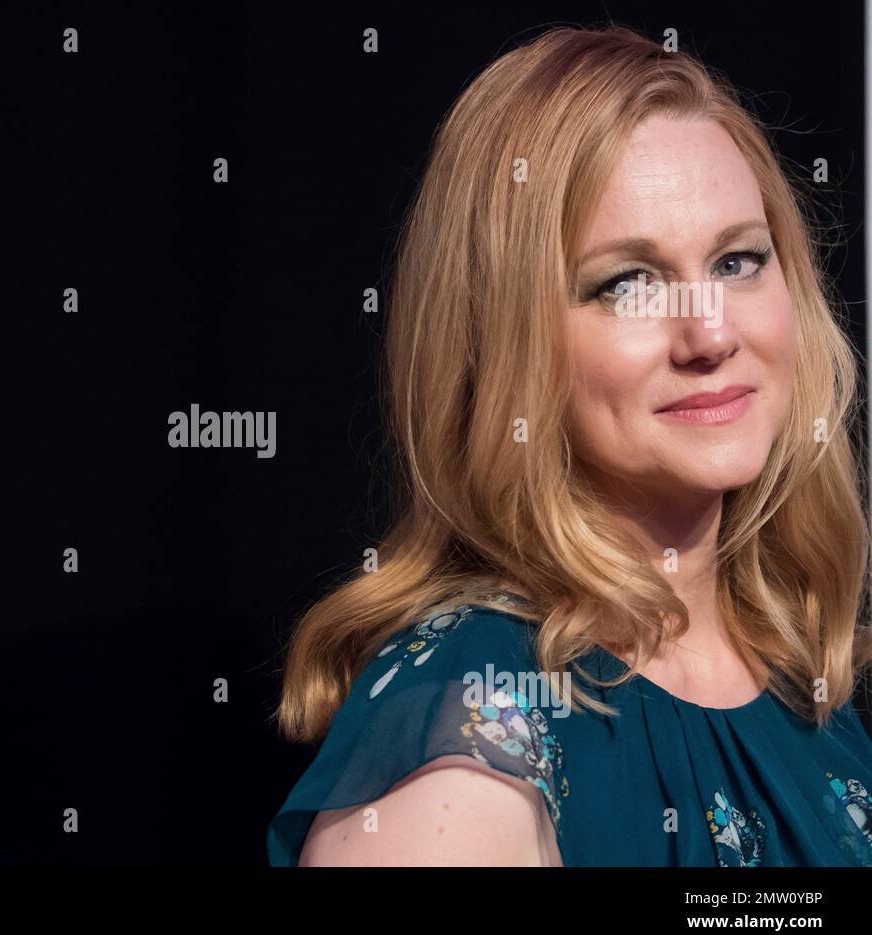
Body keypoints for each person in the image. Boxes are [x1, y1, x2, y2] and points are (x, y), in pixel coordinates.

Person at [267, 23, 872, 866]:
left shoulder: (802, 680)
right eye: (628, 282)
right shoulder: (467, 744)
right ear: (504, 342)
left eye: (737, 261)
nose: (711, 333)